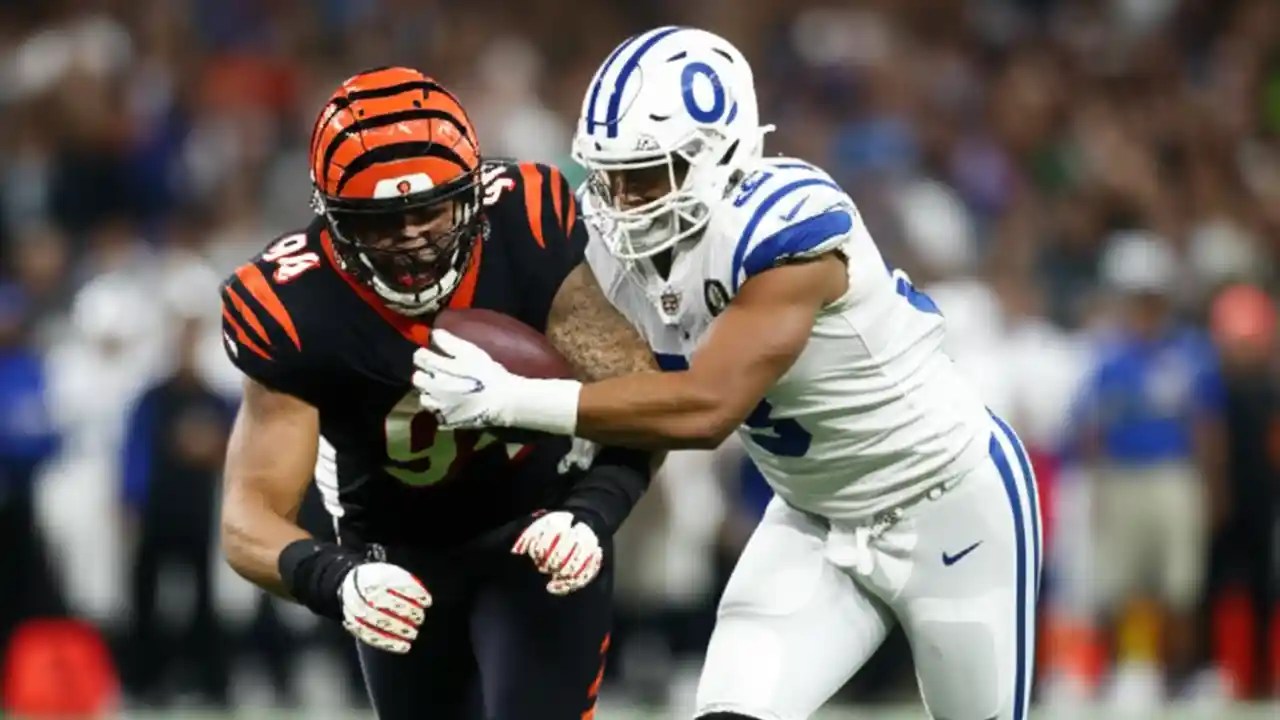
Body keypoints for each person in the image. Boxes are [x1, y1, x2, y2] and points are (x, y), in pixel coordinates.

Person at [415, 27, 1042, 720]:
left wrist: (514, 400)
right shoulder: (612, 250)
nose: (621, 201)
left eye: (646, 175)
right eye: (609, 175)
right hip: (811, 520)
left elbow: (705, 409)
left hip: (948, 504)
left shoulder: (788, 224)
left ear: (721, 154)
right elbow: (629, 401)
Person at [217, 66, 658, 720]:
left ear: (474, 194)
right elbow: (247, 517)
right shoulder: (294, 304)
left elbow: (641, 399)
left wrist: (593, 510)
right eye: (379, 222)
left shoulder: (525, 224)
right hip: (395, 550)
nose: (411, 240)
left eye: (428, 210)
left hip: (537, 525)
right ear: (331, 217)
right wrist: (336, 579)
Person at [122, 315, 233, 707]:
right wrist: (131, 501)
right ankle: (145, 680)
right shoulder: (154, 399)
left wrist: (210, 447)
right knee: (147, 597)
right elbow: (135, 452)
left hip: (198, 511)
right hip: (158, 510)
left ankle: (209, 681)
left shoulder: (217, 400)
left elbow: (236, 450)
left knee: (203, 598)